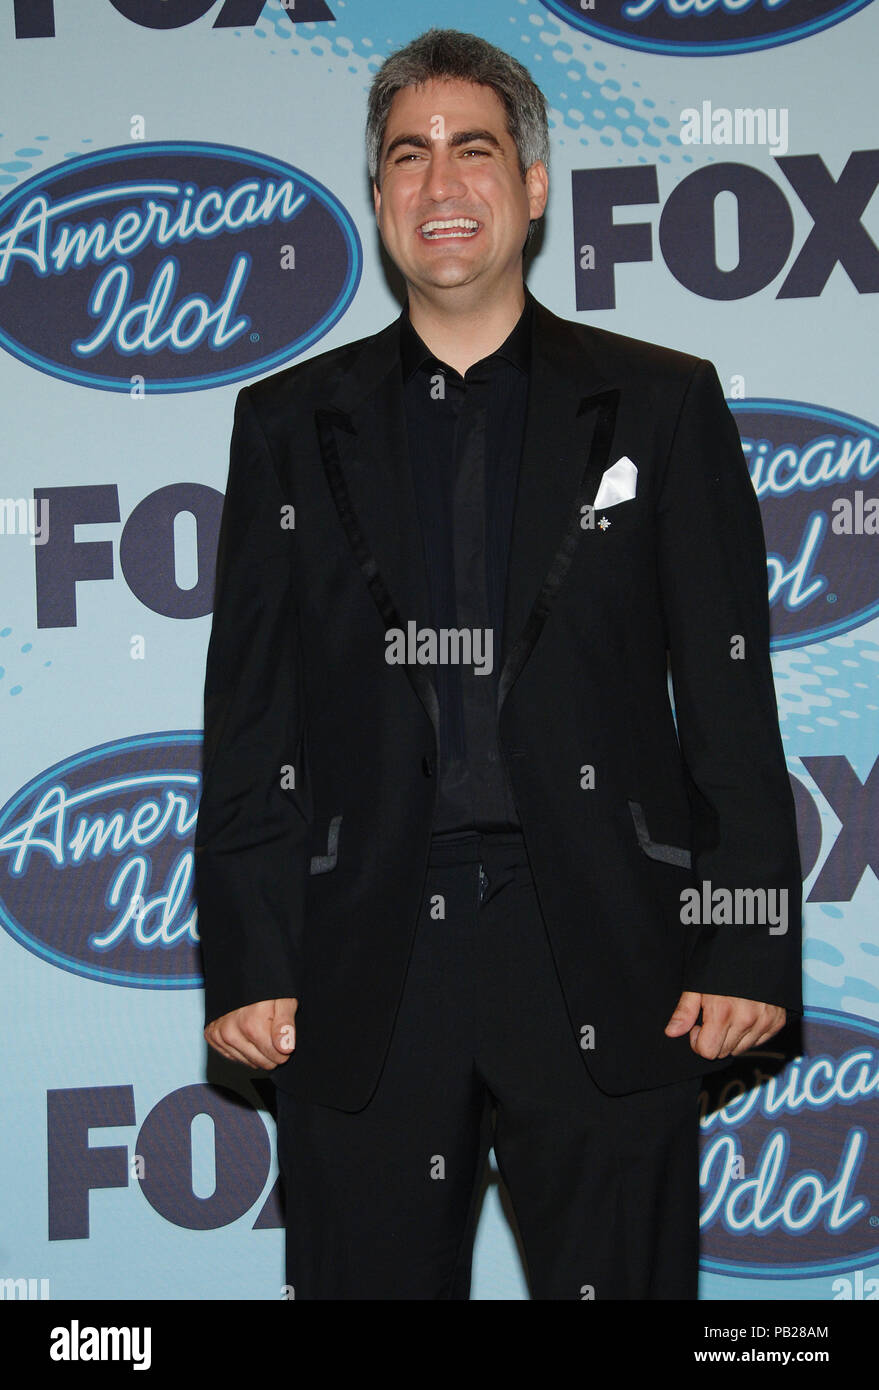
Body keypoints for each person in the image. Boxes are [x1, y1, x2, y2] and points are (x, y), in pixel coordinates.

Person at [194, 28, 803, 1300]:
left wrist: (744, 942)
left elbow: (731, 702)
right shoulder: (288, 424)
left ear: (532, 186)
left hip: (603, 945)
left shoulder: (662, 404)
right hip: (364, 963)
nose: (440, 184)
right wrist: (250, 959)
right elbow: (251, 714)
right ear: (377, 199)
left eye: (473, 149)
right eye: (406, 158)